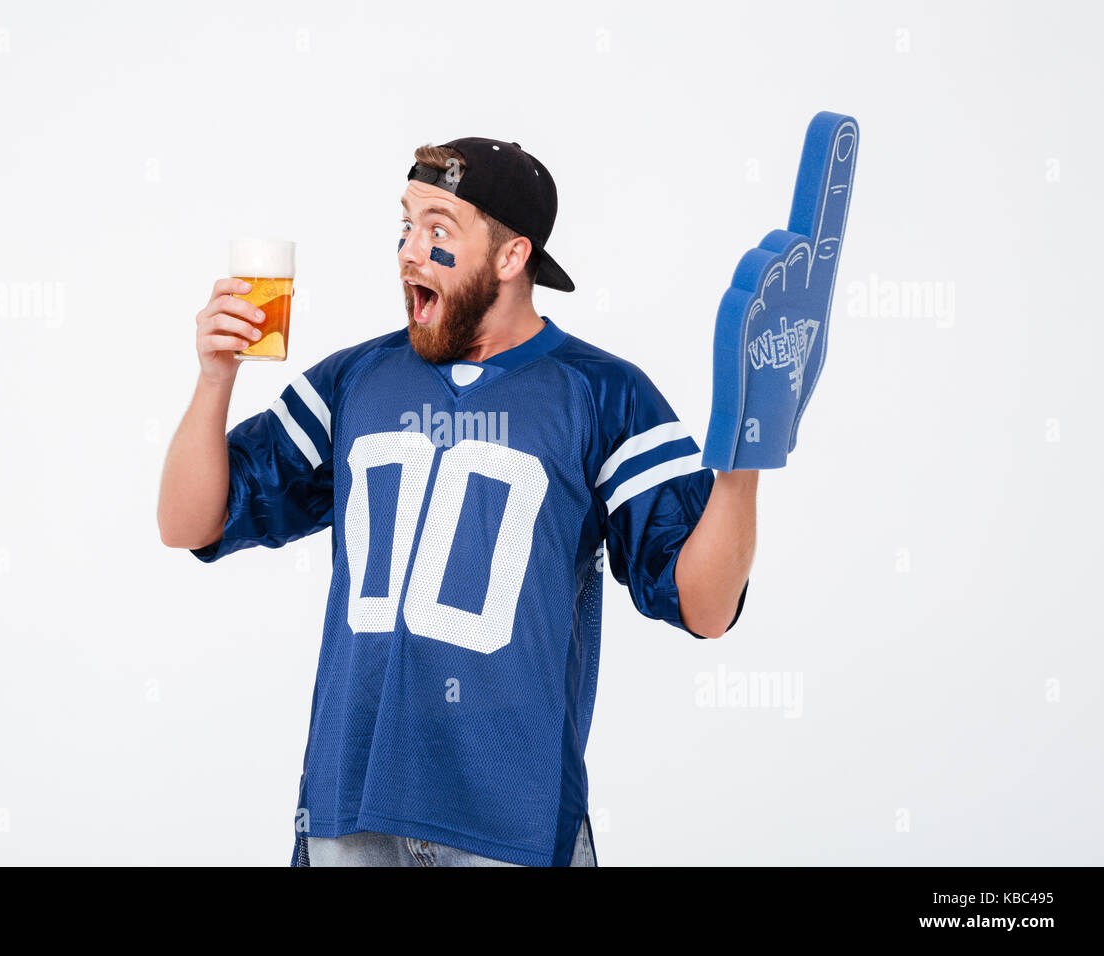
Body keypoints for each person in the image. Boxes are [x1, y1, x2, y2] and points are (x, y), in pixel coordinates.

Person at [157, 137, 756, 866]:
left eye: (438, 230)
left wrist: (746, 460)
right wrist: (216, 376)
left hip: (513, 826)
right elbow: (189, 522)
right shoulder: (356, 379)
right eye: (405, 225)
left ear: (510, 258)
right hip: (351, 813)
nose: (409, 251)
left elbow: (705, 606)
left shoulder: (602, 394)